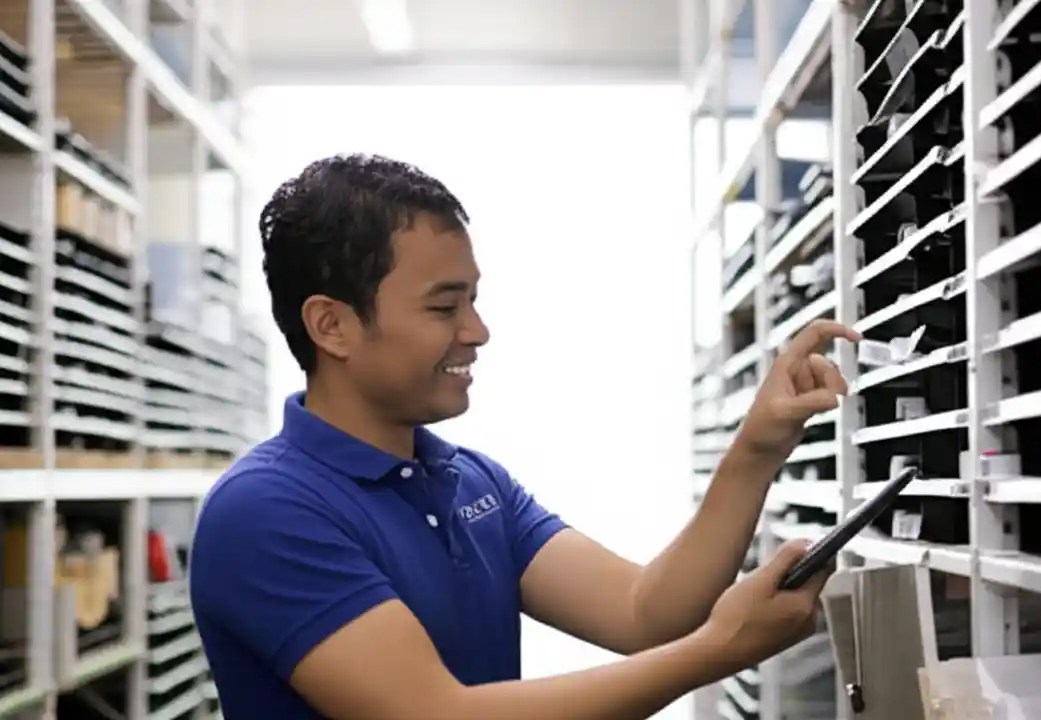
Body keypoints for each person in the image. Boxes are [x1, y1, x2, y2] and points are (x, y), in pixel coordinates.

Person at [188, 153, 859, 719]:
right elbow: (436, 714)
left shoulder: (473, 483)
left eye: (473, 301)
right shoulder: (264, 511)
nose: (477, 330)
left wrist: (759, 446)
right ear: (331, 326)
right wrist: (720, 649)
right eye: (444, 306)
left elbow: (644, 612)